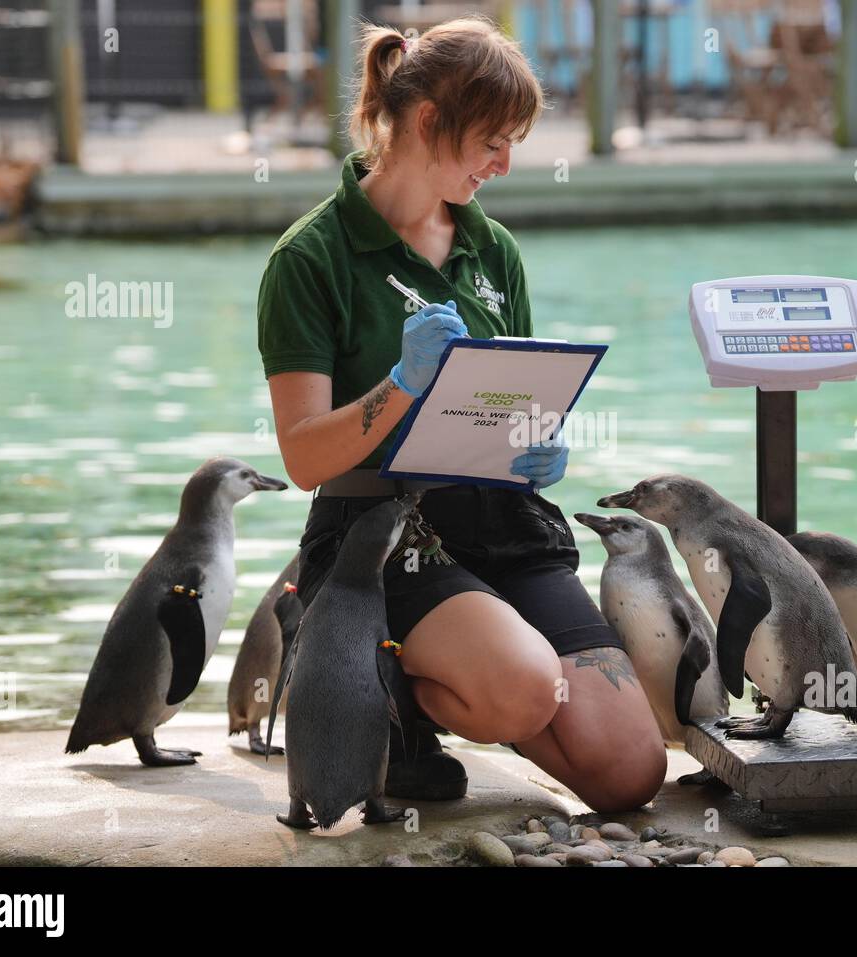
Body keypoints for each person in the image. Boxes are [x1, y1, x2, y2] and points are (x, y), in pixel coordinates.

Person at [256, 16, 666, 812]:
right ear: (427, 121)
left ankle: (471, 677)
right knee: (522, 688)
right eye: (492, 142)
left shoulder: (494, 250)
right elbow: (305, 459)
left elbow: (507, 394)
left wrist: (539, 446)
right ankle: (394, 702)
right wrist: (400, 386)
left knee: (630, 772)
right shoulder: (309, 259)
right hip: (383, 538)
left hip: (503, 522)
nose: (506, 166)